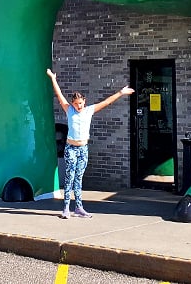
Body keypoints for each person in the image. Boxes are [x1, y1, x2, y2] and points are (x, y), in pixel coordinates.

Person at [47, 68, 134, 218]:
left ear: (84, 101)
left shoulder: (89, 110)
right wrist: (53, 78)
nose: (78, 106)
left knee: (79, 178)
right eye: (76, 104)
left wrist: (121, 93)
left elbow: (106, 102)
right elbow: (59, 95)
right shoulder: (69, 111)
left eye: (80, 103)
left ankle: (79, 208)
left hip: (83, 149)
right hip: (71, 149)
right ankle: (66, 208)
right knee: (70, 176)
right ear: (73, 103)